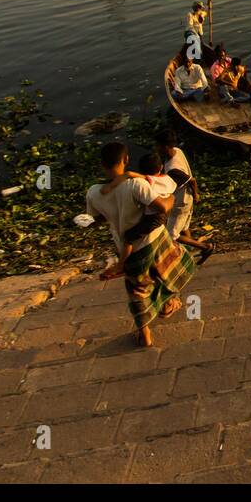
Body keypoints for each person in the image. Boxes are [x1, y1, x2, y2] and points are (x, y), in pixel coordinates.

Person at [85, 142, 196, 348]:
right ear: (126, 159)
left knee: (137, 290)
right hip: (154, 239)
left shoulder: (93, 193)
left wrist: (115, 215)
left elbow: (96, 218)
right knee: (167, 272)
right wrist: (172, 197)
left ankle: (145, 334)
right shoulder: (136, 185)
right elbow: (162, 207)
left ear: (102, 165)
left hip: (130, 249)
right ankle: (168, 303)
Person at [154, 128, 213, 260]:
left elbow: (191, 181)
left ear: (165, 146)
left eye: (157, 145)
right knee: (184, 227)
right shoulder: (178, 152)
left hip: (181, 202)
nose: (156, 148)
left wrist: (196, 194)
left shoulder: (172, 168)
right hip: (187, 198)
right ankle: (193, 248)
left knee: (171, 235)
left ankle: (205, 247)